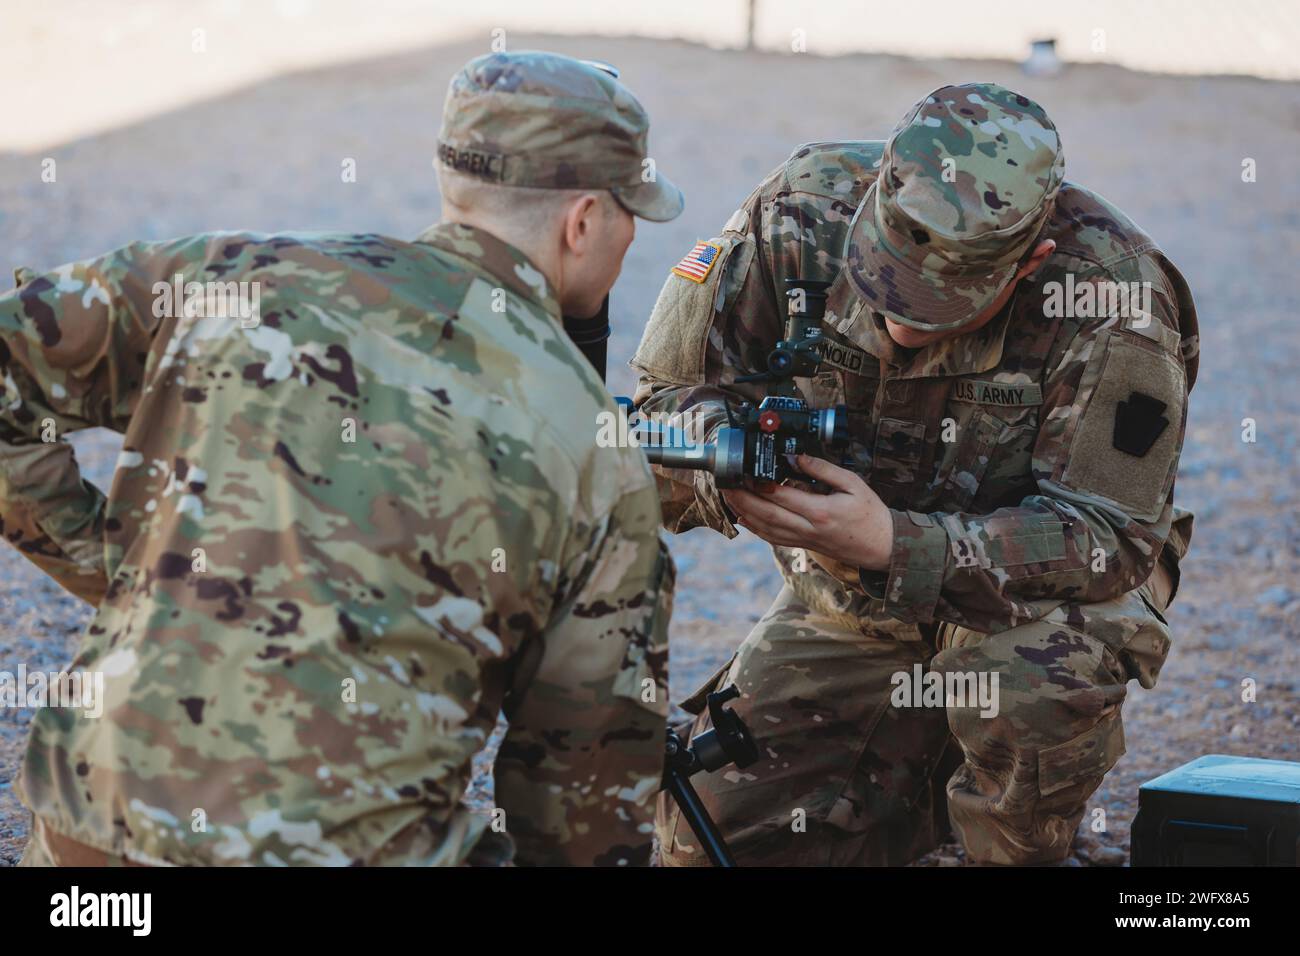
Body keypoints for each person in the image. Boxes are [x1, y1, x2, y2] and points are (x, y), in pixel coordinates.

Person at [1, 49, 684, 866]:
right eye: (630, 210)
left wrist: (123, 571)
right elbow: (583, 809)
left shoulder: (236, 276)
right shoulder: (595, 450)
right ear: (582, 221)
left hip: (95, 835)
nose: (634, 233)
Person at [633, 83, 1197, 866]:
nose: (901, 321)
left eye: (941, 305)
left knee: (1025, 688)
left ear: (1030, 260)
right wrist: (722, 463)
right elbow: (660, 407)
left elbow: (1111, 538)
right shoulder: (803, 211)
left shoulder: (1114, 294)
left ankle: (1011, 846)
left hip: (1032, 611)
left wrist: (897, 544)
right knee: (710, 848)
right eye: (883, 279)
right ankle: (909, 802)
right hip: (849, 607)